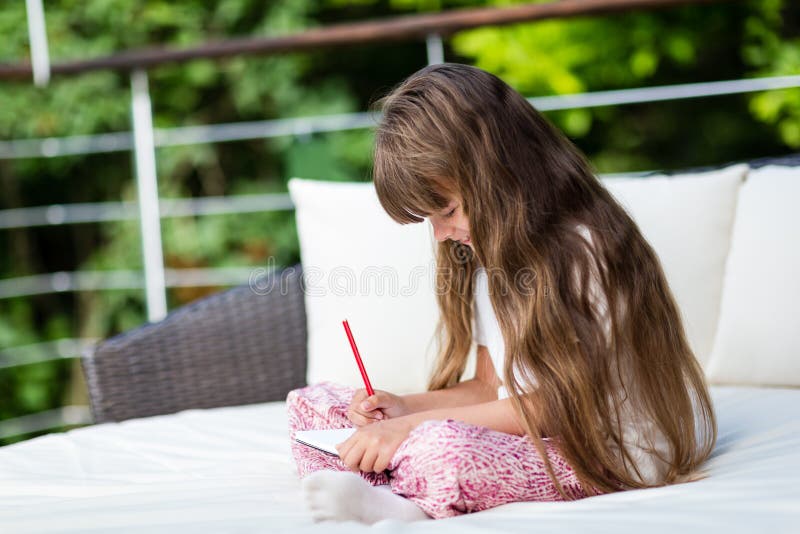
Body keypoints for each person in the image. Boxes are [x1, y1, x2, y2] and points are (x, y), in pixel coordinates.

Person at [286, 63, 717, 523]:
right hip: (520, 433)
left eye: (448, 210)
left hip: (603, 447)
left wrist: (412, 427)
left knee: (442, 448)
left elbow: (561, 405)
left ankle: (404, 499)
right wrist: (403, 409)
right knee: (312, 407)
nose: (440, 235)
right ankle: (393, 477)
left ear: (499, 173)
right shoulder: (489, 262)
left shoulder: (587, 252)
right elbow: (486, 387)